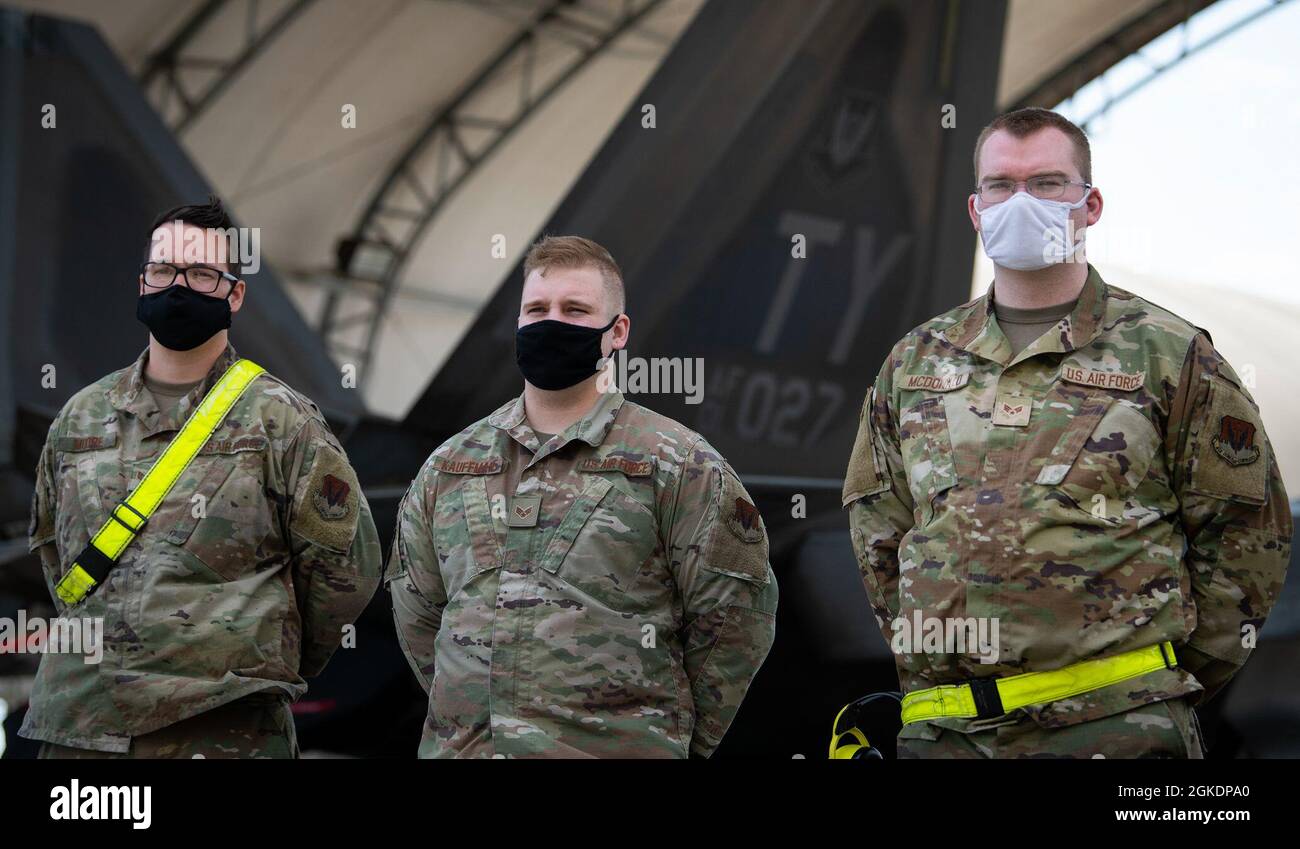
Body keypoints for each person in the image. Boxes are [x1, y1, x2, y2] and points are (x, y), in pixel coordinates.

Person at [843, 108, 1291, 758]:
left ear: (1090, 203)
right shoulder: (914, 363)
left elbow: (1250, 535)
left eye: (1047, 182)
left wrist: (1157, 681)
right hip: (945, 734)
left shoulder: (1167, 354)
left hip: (1116, 732)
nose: (1020, 200)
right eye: (1000, 184)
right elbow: (878, 530)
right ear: (975, 209)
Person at [389, 235, 777, 757]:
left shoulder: (678, 463)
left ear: (616, 332)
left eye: (575, 310)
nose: (552, 322)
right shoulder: (451, 466)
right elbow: (419, 615)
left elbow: (735, 621)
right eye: (537, 309)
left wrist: (669, 740)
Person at [23, 196, 382, 758]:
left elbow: (346, 572)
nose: (177, 287)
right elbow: (52, 550)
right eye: (163, 270)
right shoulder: (81, 416)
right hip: (79, 728)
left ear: (234, 293)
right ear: (142, 283)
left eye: (201, 274)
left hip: (220, 729)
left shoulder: (280, 421)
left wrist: (257, 653)